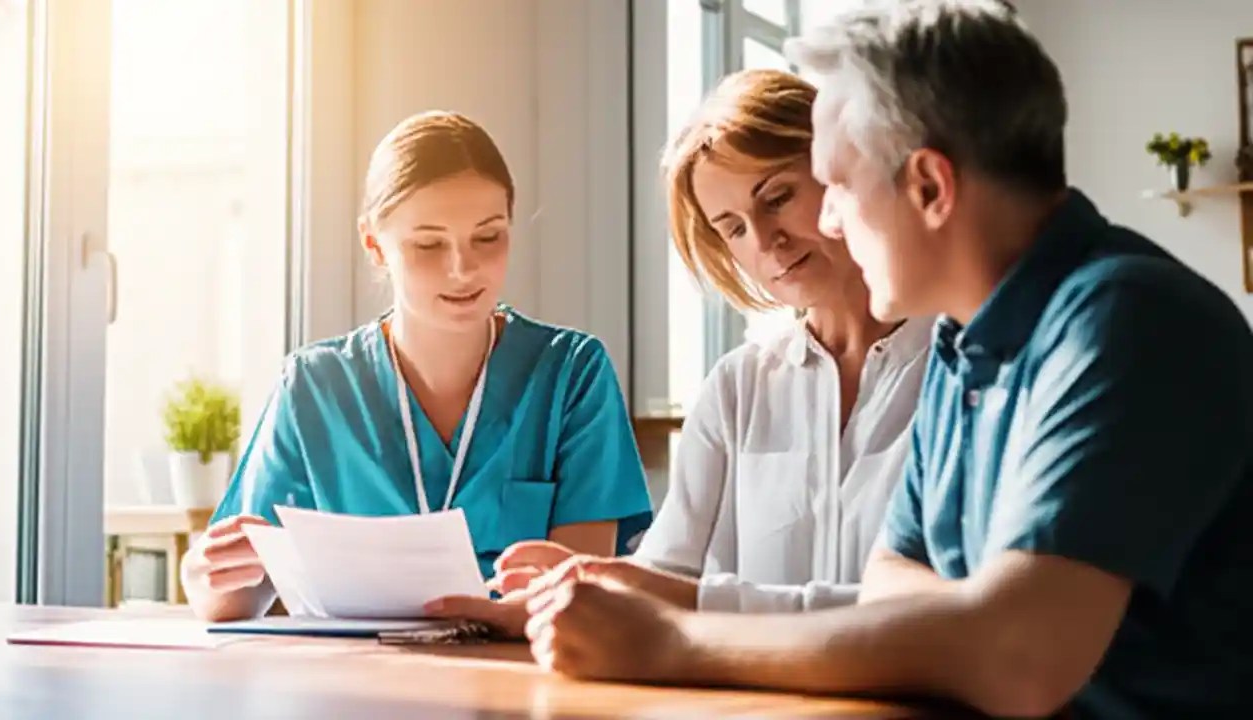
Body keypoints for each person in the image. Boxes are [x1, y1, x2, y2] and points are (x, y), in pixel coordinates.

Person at [515, 2, 1253, 718]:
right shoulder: (967, 345)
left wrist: (677, 641)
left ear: (929, 186)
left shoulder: (1126, 321)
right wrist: (971, 623)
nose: (826, 219)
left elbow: (1016, 658)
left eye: (833, 184)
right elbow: (893, 592)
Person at [428, 69, 932, 632]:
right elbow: (666, 574)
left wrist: (651, 590)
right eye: (733, 228)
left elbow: (947, 617)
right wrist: (584, 584)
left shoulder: (970, 369)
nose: (765, 242)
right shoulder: (738, 386)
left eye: (778, 198)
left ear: (842, 172)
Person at [182, 111, 653, 622]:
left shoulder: (571, 374)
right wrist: (206, 579)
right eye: (428, 244)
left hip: (518, 679)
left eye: (488, 237)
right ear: (373, 244)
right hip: (360, 688)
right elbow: (241, 590)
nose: (463, 268)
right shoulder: (314, 388)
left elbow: (580, 594)